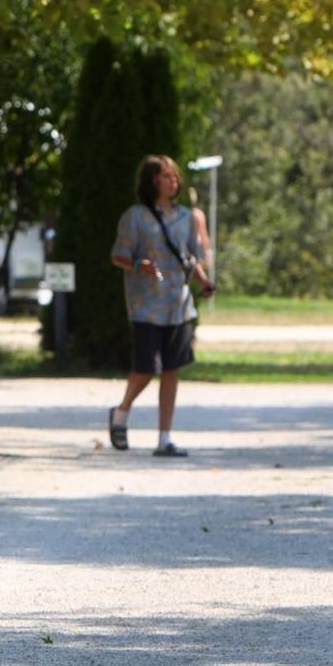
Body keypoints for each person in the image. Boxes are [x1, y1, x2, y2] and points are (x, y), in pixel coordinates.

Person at [107, 154, 212, 458]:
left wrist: (204, 280)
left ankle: (164, 438)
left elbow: (189, 257)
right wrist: (139, 264)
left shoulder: (185, 217)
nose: (173, 181)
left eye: (175, 176)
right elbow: (118, 255)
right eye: (167, 176)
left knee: (171, 368)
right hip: (145, 305)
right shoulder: (135, 217)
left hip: (178, 305)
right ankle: (121, 412)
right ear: (152, 180)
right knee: (145, 369)